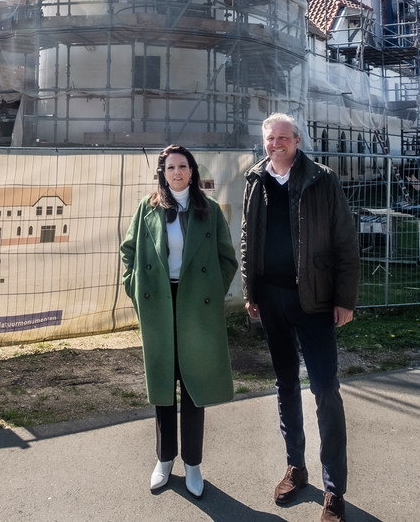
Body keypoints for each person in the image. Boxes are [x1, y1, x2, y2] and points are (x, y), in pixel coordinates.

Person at [241, 113, 360, 522]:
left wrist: (345, 298)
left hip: (315, 301)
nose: (276, 144)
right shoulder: (255, 180)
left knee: (325, 388)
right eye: (270, 138)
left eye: (283, 138)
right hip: (271, 299)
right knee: (286, 385)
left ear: (297, 140)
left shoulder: (321, 179)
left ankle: (334, 489)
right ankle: (296, 467)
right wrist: (250, 291)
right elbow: (246, 235)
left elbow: (345, 239)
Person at [121, 145, 238, 499]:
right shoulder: (148, 208)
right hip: (159, 303)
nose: (177, 172)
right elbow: (129, 251)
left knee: (193, 385)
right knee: (162, 384)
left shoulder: (210, 210)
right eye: (170, 167)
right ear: (162, 172)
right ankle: (164, 459)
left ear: (192, 171)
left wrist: (211, 291)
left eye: (183, 166)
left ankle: (193, 463)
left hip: (195, 306)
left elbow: (226, 258)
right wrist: (135, 287)